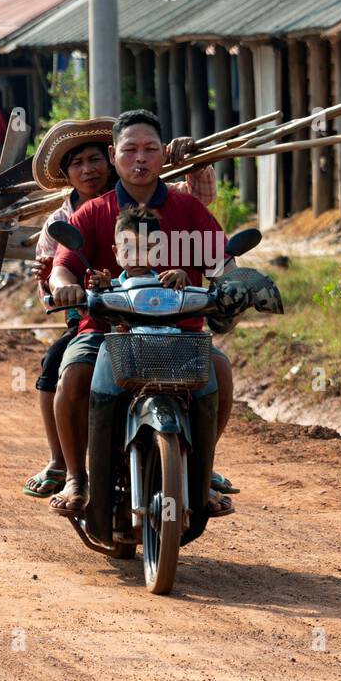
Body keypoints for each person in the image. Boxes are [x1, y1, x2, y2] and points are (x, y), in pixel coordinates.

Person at [47, 109, 236, 524]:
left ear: (163, 156)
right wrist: (66, 284)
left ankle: (202, 477)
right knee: (73, 375)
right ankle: (77, 476)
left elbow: (224, 261)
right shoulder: (94, 212)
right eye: (130, 150)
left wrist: (235, 284)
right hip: (105, 331)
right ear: (115, 155)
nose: (140, 159)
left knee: (220, 372)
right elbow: (63, 264)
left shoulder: (189, 209)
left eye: (151, 149)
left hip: (180, 333)